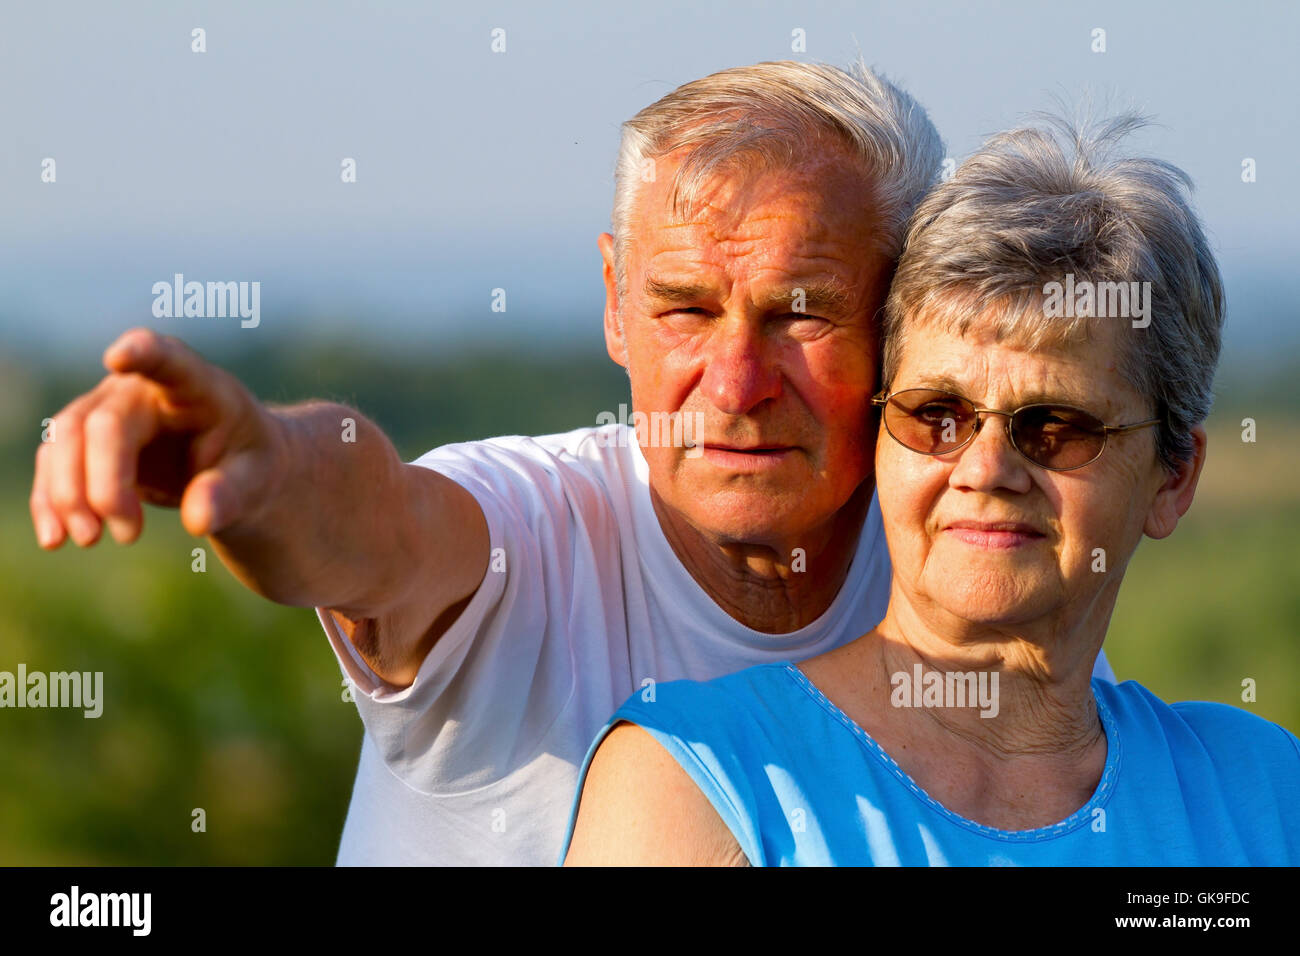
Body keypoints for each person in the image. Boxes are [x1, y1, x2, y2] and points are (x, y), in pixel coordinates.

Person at [30, 60, 1114, 866]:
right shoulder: (528, 533)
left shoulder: (976, 577)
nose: (733, 382)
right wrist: (261, 457)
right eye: (683, 307)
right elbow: (373, 516)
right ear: (611, 300)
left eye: (799, 314)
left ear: (899, 316)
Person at [561, 114, 1300, 866]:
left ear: (1173, 478)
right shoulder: (701, 779)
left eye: (1053, 427)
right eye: (935, 416)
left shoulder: (1257, 785)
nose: (985, 468)